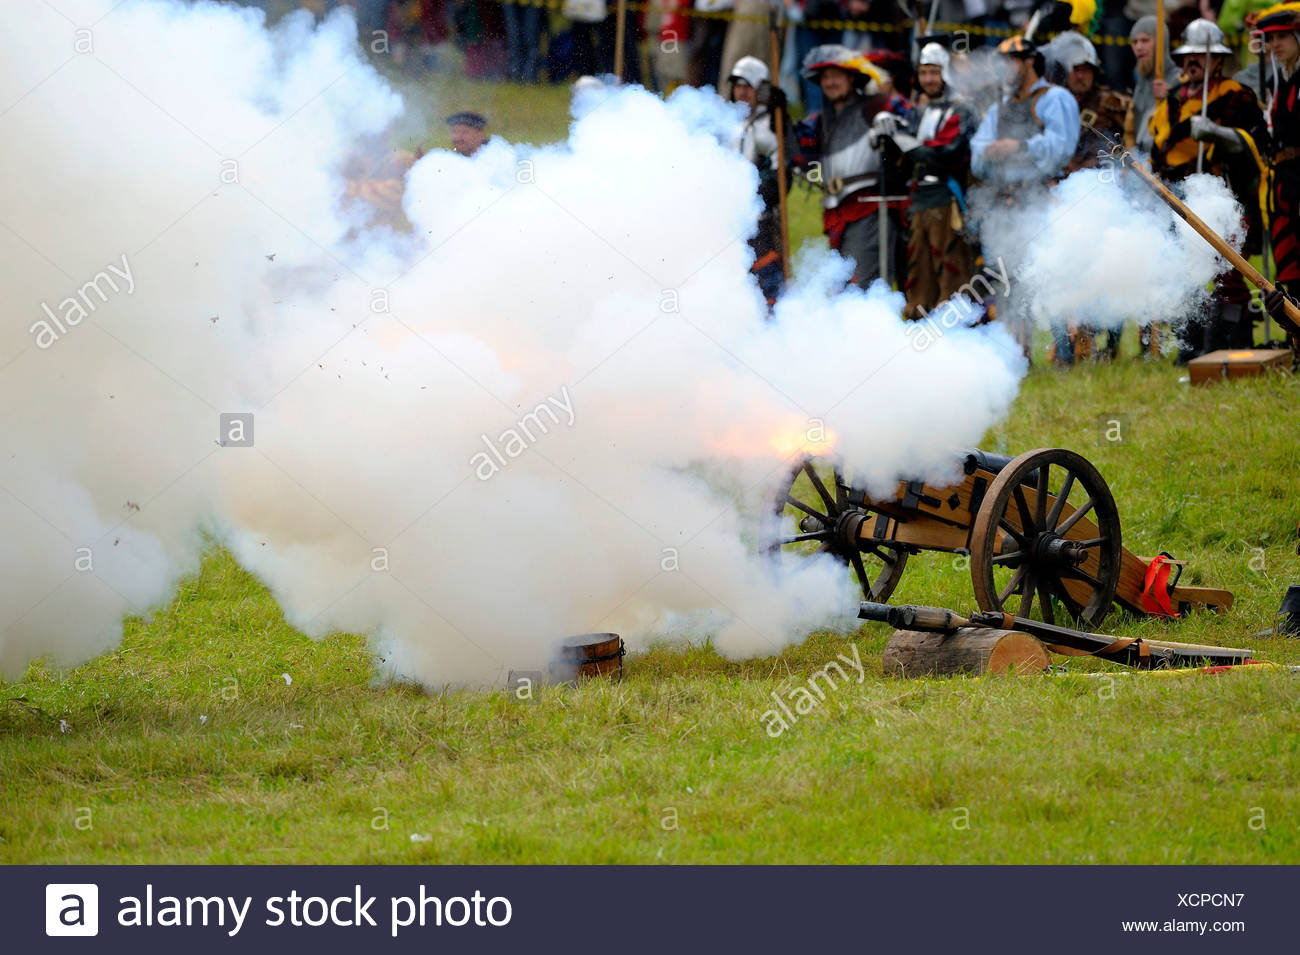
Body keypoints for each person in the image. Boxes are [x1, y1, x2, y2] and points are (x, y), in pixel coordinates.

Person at [1149, 18, 1269, 357]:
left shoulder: (1234, 95)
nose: (1193, 62)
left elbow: (1253, 143)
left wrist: (1214, 133)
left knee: (1227, 273)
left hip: (1221, 192)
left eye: (1201, 56)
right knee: (1181, 274)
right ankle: (1191, 351)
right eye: (1188, 55)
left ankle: (1232, 344)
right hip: (1178, 194)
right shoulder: (1171, 100)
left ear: (1217, 60)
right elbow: (1156, 143)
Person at [971, 35, 1080, 359]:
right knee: (1009, 283)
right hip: (1004, 202)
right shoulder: (999, 109)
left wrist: (1019, 147)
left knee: (1053, 275)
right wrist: (992, 152)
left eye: (1010, 62)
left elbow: (1062, 147)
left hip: (1042, 199)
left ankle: (1065, 351)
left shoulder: (1055, 98)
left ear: (1029, 61)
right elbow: (978, 156)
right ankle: (1019, 354)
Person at [876, 42, 978, 320]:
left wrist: (902, 139)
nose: (929, 79)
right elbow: (902, 152)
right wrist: (885, 127)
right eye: (923, 73)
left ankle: (958, 333)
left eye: (934, 72)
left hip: (947, 199)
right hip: (918, 199)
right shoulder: (919, 110)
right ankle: (920, 321)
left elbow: (944, 152)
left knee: (950, 270)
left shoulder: (963, 109)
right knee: (918, 271)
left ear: (945, 72)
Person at [793, 45, 905, 289]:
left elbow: (907, 128)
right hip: (838, 214)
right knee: (844, 290)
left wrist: (891, 126)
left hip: (871, 209)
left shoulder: (876, 106)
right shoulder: (822, 120)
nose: (831, 82)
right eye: (825, 77)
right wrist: (776, 114)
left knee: (863, 290)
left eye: (836, 75)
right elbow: (802, 156)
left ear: (851, 78)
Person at [1059, 32, 1132, 360]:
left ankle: (1113, 346)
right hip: (1066, 196)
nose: (1081, 75)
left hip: (1103, 193)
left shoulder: (1110, 102)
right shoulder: (1056, 102)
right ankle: (1070, 347)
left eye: (1086, 69)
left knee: (1110, 265)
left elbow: (1125, 143)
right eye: (1076, 69)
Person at [727, 56, 793, 305]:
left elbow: (782, 174)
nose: (742, 92)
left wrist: (782, 119)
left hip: (760, 222)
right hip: (728, 221)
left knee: (768, 286)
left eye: (748, 86)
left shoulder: (772, 124)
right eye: (738, 85)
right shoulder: (726, 122)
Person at [1256, 4, 1300, 349]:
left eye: (1283, 36)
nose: (1276, 44)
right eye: (1271, 39)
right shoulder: (1276, 81)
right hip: (1283, 182)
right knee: (1288, 268)